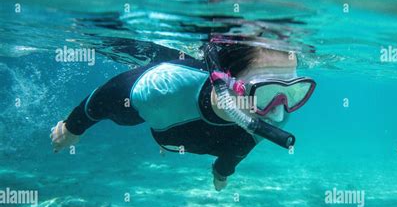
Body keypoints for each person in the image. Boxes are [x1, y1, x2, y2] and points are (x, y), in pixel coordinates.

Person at [50, 42, 316, 191]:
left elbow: (235, 154)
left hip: (196, 133)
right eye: (266, 91)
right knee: (129, 114)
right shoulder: (162, 88)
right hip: (164, 119)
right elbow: (105, 96)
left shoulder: (271, 116)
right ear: (224, 82)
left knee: (240, 143)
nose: (279, 111)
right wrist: (73, 128)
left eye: (292, 92)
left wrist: (221, 174)